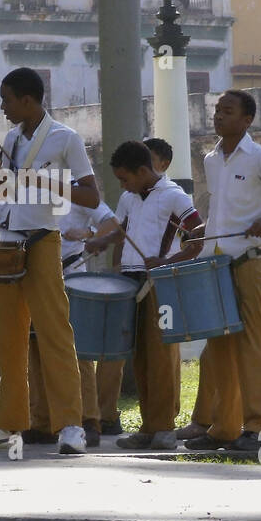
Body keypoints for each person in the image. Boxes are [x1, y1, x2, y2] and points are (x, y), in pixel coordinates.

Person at [0, 67, 101, 455]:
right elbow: (6, 186)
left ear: (27, 99)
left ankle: (71, 425)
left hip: (42, 242)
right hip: (7, 245)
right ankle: (7, 423)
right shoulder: (10, 137)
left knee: (56, 334)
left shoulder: (65, 138)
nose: (3, 107)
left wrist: (46, 182)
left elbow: (90, 195)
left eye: (7, 99)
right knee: (8, 340)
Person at [187, 90, 261, 452]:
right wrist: (201, 233)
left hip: (247, 261)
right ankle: (224, 429)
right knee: (218, 347)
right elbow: (221, 212)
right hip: (213, 260)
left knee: (252, 347)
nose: (218, 117)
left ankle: (260, 430)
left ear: (247, 120)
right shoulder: (210, 160)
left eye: (227, 111)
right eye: (216, 111)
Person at [89, 140, 203, 449]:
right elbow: (122, 231)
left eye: (125, 178)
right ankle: (148, 426)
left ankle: (164, 427)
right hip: (130, 280)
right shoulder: (128, 198)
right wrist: (102, 241)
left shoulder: (174, 197)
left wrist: (167, 261)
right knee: (138, 356)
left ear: (142, 170)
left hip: (160, 283)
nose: (122, 185)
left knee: (161, 357)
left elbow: (199, 236)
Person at [27, 196, 118, 446]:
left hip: (70, 275)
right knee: (36, 345)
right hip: (36, 271)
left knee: (78, 350)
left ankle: (88, 420)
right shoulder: (27, 188)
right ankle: (42, 421)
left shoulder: (76, 190)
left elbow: (112, 223)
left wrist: (88, 232)